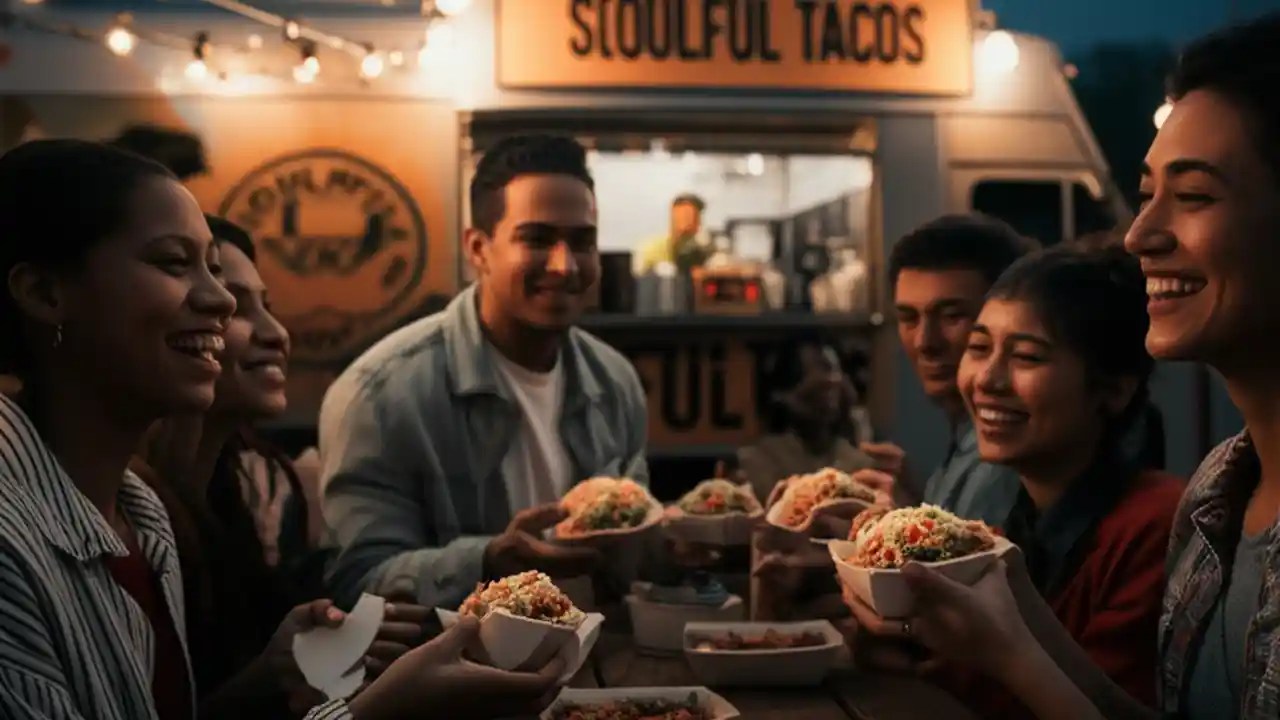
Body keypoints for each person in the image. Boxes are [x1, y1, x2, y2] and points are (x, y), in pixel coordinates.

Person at [0, 139, 568, 720]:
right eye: (173, 263)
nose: (219, 301)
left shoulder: (141, 514)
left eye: (213, 270)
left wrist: (267, 678)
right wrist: (384, 711)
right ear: (46, 293)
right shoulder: (13, 545)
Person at [856, 15, 1280, 720]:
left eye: (1196, 195)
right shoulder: (1217, 492)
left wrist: (1008, 649)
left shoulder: (1156, 515)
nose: (1141, 234)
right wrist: (1013, 607)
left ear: (1111, 392)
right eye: (1145, 195)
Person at [847, 244, 1183, 716]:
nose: (987, 379)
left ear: (1114, 389)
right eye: (979, 348)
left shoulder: (1157, 527)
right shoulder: (1004, 527)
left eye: (1026, 357)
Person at [321, 134, 649, 610]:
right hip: (455, 676)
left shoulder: (614, 381)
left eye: (583, 241)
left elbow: (634, 547)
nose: (565, 265)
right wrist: (489, 560)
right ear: (478, 248)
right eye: (536, 239)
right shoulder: (382, 395)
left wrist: (687, 541)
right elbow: (357, 581)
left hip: (602, 663)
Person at [134, 215, 431, 718]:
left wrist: (345, 632)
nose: (276, 333)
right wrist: (273, 675)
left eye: (265, 306)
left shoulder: (248, 494)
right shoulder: (122, 515)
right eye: (236, 307)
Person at [889, 214, 1036, 525]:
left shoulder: (1002, 452)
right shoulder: (966, 440)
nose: (925, 342)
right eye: (909, 318)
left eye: (952, 316)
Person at [632, 193, 714, 275]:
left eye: (696, 217)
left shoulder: (705, 248)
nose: (691, 221)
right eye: (686, 215)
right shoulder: (650, 249)